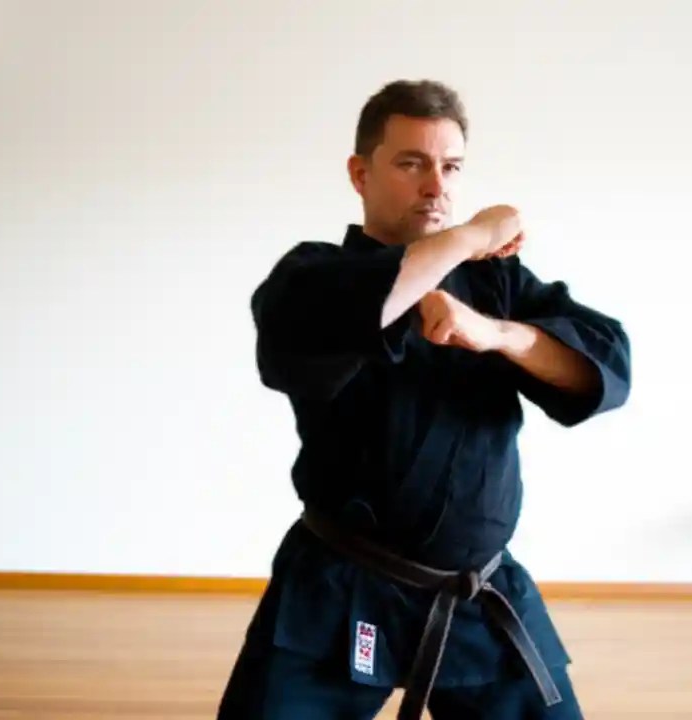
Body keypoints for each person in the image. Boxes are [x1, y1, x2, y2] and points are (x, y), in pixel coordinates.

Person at [217, 79, 631, 720]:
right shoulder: (313, 276)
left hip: (478, 592)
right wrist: (473, 233)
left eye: (451, 167)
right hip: (337, 588)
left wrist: (494, 335)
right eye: (411, 163)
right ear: (360, 173)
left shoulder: (497, 285)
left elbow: (602, 367)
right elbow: (317, 326)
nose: (436, 186)